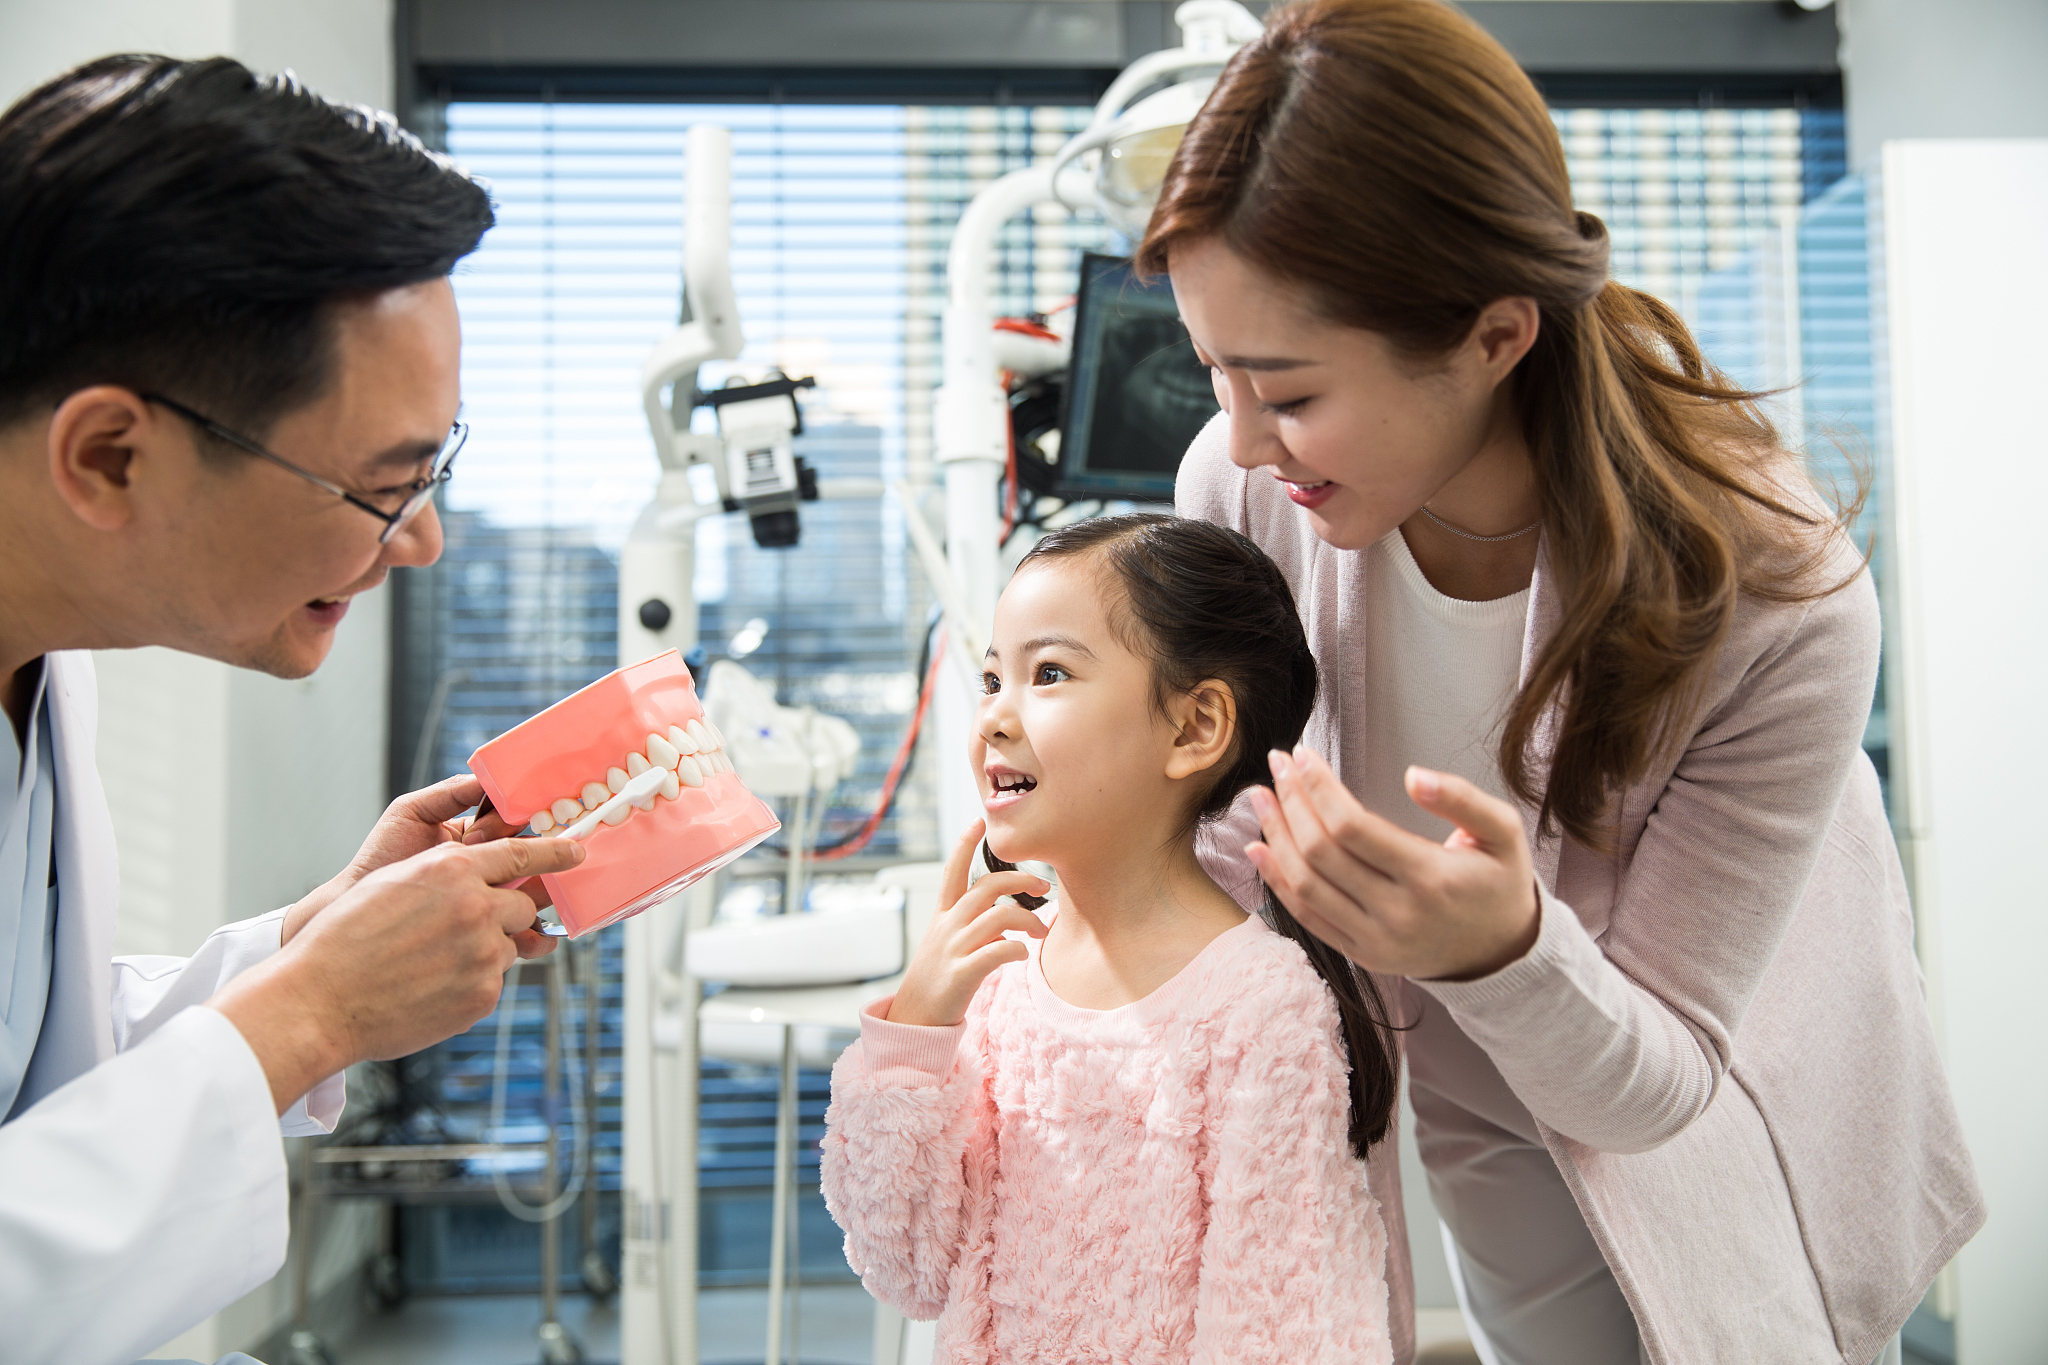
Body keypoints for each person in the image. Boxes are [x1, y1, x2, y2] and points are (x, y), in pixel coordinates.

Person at [1139, 2, 1984, 1363]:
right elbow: (1219, 816)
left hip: (1738, 1105)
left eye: (1288, 391)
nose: (1237, 435)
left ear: (1493, 336)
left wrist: (1498, 945)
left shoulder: (1778, 593)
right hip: (1480, 1089)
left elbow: (1666, 1079)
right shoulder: (1241, 489)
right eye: (1214, 369)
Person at [0, 56, 584, 1363]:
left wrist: (311, 951)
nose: (423, 540)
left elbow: (32, 1072)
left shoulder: (46, 666)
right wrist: (308, 1014)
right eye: (386, 484)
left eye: (442, 470)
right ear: (110, 456)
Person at [821, 514, 1398, 1364]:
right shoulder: (998, 977)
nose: (992, 720)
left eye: (1047, 673)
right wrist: (918, 1030)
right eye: (990, 680)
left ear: (1195, 727)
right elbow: (904, 1266)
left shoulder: (1261, 1010)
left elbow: (1285, 1335)